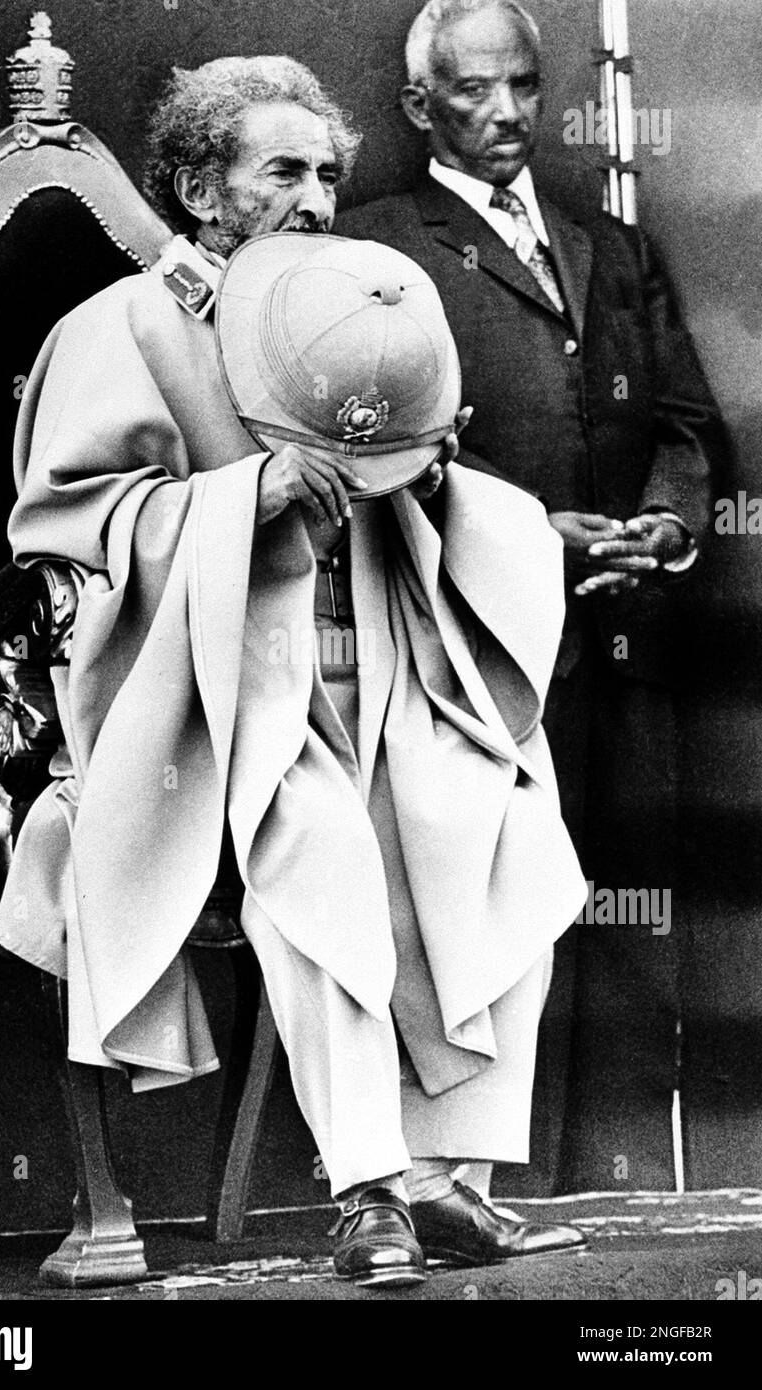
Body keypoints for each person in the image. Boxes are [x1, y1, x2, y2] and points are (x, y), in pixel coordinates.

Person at [0, 54, 587, 1287]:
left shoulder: (355, 310)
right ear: (203, 187)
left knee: (502, 814)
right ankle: (366, 1188)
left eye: (327, 172)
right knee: (313, 848)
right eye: (284, 172)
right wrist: (239, 495)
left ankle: (448, 1181)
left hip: (379, 663)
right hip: (208, 699)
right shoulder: (117, 328)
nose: (317, 200)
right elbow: (68, 530)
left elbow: (440, 501)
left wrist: (430, 478)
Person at [337, 0, 728, 1185]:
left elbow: (685, 423)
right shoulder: (371, 253)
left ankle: (605, 1188)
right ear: (418, 106)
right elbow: (375, 449)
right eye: (471, 91)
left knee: (612, 917)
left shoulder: (609, 246)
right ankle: (458, 1187)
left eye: (519, 85)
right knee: (479, 916)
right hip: (469, 647)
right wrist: (523, 535)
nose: (504, 113)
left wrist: (662, 520)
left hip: (618, 639)